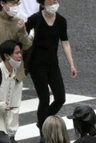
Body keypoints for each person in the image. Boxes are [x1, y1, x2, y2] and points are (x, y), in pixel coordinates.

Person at [24, 0, 76, 134]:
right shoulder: (35, 19)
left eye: (55, 1)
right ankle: (43, 130)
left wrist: (71, 64)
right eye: (49, 1)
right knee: (44, 98)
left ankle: (43, 120)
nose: (53, 3)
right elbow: (21, 36)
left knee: (60, 98)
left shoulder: (61, 21)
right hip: (37, 65)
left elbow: (65, 43)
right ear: (42, 3)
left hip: (53, 64)